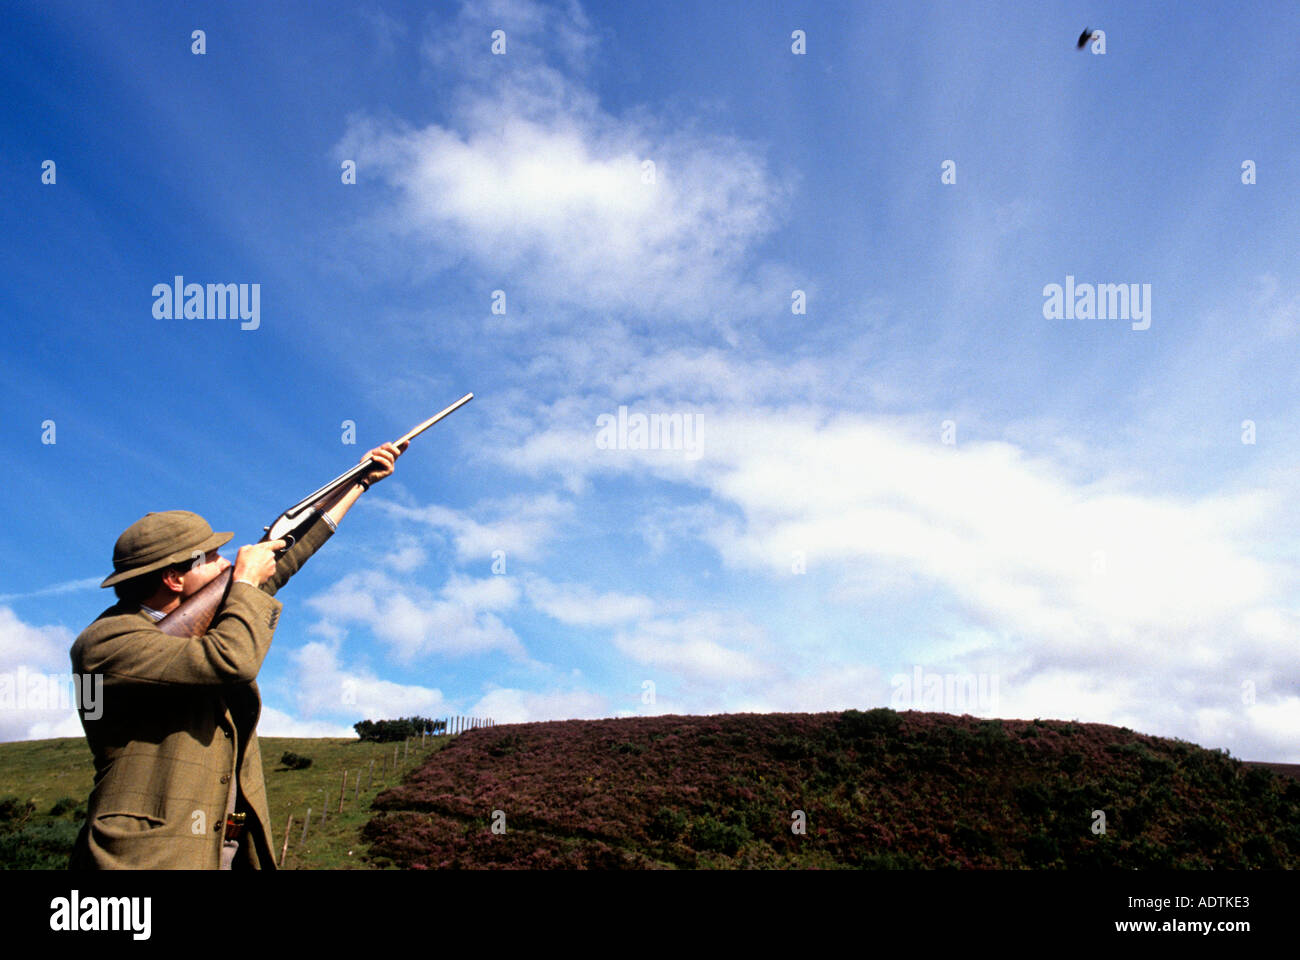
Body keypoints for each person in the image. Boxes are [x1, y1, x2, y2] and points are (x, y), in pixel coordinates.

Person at [69, 442, 403, 869]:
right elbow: (232, 660)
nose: (226, 562)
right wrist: (244, 584)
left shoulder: (199, 619)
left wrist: (359, 482)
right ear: (174, 578)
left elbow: (286, 557)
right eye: (210, 558)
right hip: (149, 857)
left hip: (223, 852)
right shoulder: (105, 643)